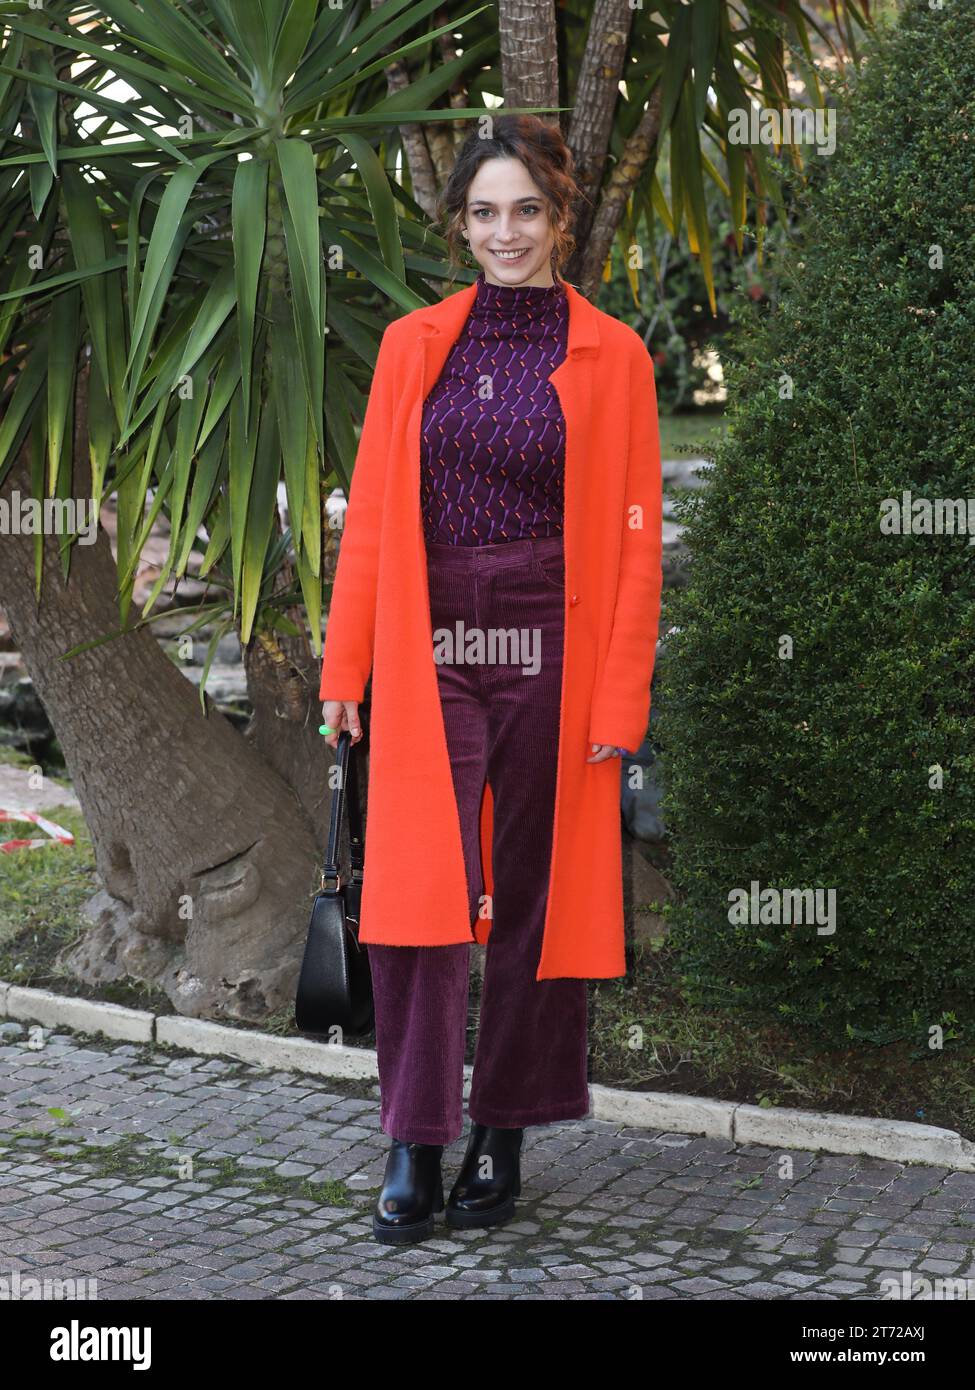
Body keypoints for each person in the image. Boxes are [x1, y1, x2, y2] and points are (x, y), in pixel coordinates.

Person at [320, 114, 662, 1244]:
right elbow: (372, 515)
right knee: (420, 905)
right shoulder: (416, 345)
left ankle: (502, 1131)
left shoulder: (616, 356)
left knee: (533, 897)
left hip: (552, 639)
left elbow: (635, 543)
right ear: (458, 223)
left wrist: (619, 704)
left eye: (525, 210)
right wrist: (348, 666)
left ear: (561, 219)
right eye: (483, 212)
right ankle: (413, 1138)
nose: (503, 231)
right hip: (431, 641)